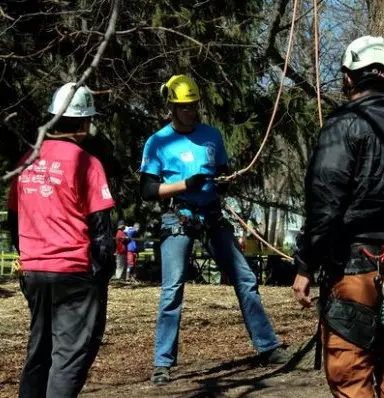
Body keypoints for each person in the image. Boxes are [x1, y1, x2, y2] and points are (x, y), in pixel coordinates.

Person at [140, 74, 288, 386]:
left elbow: (220, 169)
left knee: (245, 279)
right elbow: (148, 189)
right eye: (183, 107)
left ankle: (268, 346)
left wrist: (224, 177)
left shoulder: (212, 136)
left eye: (193, 106)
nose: (190, 112)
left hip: (211, 214)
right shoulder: (158, 142)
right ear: (171, 107)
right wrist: (184, 184)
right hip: (178, 217)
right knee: (172, 289)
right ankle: (162, 363)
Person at [292, 36, 384, 397]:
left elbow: (326, 206)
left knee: (351, 376)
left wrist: (306, 265)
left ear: (349, 78)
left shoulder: (342, 126)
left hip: (356, 270)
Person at [8, 82, 115, 398]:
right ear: (84, 123)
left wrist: (29, 256)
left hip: (34, 272)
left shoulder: (25, 160)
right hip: (74, 273)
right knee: (68, 358)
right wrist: (100, 274)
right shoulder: (86, 163)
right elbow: (101, 230)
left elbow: (14, 222)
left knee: (40, 352)